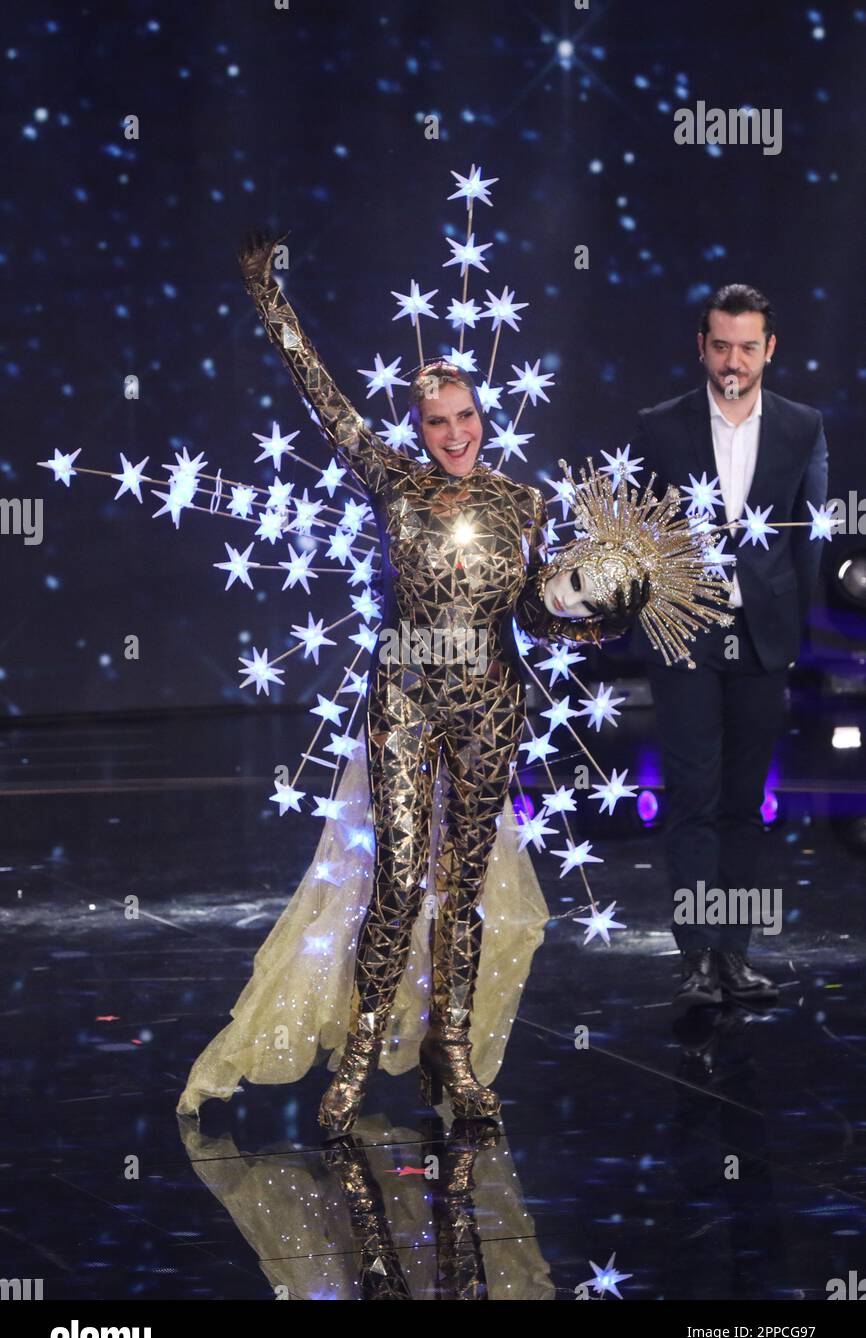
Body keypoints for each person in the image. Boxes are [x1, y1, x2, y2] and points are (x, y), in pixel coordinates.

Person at [176, 229, 648, 1135]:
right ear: (418, 428)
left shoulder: (523, 501)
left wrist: (600, 614)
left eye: (467, 417)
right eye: (439, 422)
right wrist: (271, 300)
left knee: (460, 891)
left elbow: (537, 615)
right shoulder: (389, 481)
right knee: (396, 883)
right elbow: (319, 393)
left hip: (491, 710)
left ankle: (455, 1057)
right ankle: (357, 1057)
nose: (457, 433)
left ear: (485, 416)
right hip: (404, 701)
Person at [628, 283, 828, 1012]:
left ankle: (734, 955)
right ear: (701, 347)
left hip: (761, 636)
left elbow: (808, 539)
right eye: (720, 345)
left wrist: (789, 627)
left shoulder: (802, 426)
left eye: (748, 346)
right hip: (685, 635)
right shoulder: (662, 426)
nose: (733, 360)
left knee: (746, 805)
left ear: (769, 349)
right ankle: (696, 962)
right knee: (693, 801)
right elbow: (641, 537)